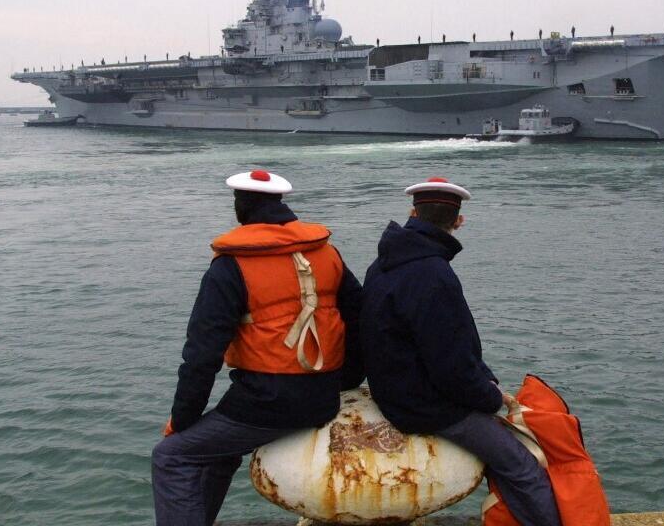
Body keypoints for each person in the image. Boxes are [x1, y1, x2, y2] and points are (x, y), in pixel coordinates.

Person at [152, 170, 363, 526]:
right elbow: (359, 317)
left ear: (240, 208)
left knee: (172, 455)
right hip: (323, 396)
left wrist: (183, 420)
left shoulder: (230, 266)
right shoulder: (326, 253)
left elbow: (202, 356)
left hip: (266, 403)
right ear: (281, 204)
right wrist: (345, 380)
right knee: (218, 452)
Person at [359, 177, 560, 526]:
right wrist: (490, 398)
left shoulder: (381, 265)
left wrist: (485, 380)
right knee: (523, 466)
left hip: (393, 391)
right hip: (423, 406)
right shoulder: (434, 273)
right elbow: (451, 367)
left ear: (413, 213)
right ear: (459, 221)